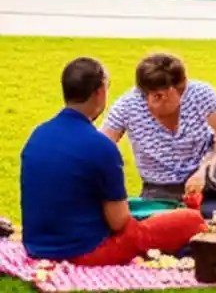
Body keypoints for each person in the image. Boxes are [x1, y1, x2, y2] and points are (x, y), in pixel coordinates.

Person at [20, 58, 206, 265]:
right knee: (191, 221)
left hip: (36, 244)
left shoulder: (38, 135)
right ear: (99, 92)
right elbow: (119, 222)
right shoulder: (100, 146)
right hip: (84, 251)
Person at [101, 53, 216, 201]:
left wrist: (204, 170)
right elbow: (99, 146)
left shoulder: (201, 94)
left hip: (207, 180)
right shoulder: (127, 106)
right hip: (158, 189)